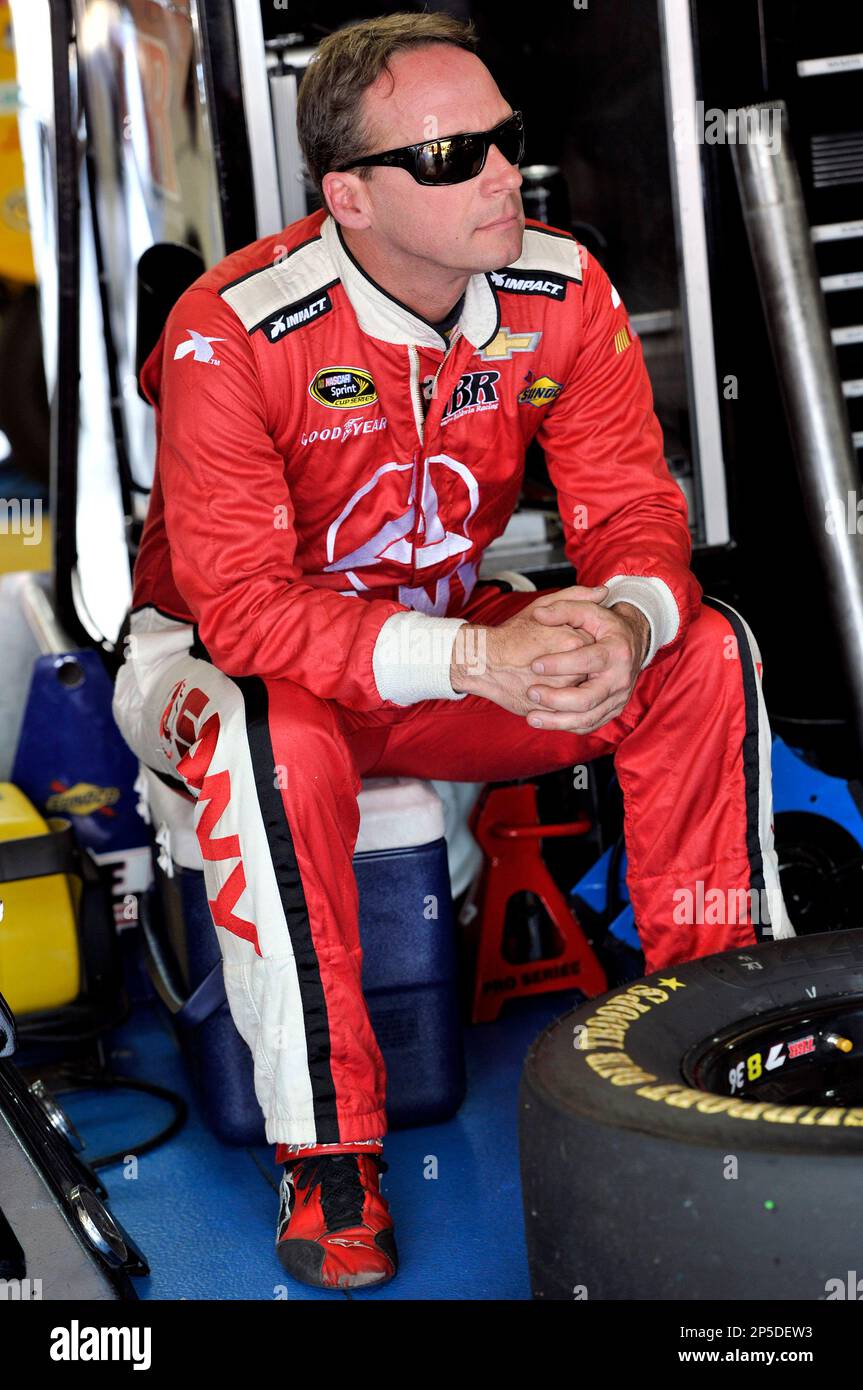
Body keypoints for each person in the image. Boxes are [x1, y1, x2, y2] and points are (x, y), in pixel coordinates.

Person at [111, 11, 795, 1291]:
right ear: (348, 198)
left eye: (504, 141)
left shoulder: (559, 289)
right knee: (279, 730)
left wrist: (621, 621)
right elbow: (249, 611)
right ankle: (328, 1153)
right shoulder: (232, 329)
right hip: (212, 665)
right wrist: (480, 662)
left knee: (703, 655)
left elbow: (635, 516)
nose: (496, 175)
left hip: (435, 643)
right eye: (447, 156)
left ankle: (717, 1039)